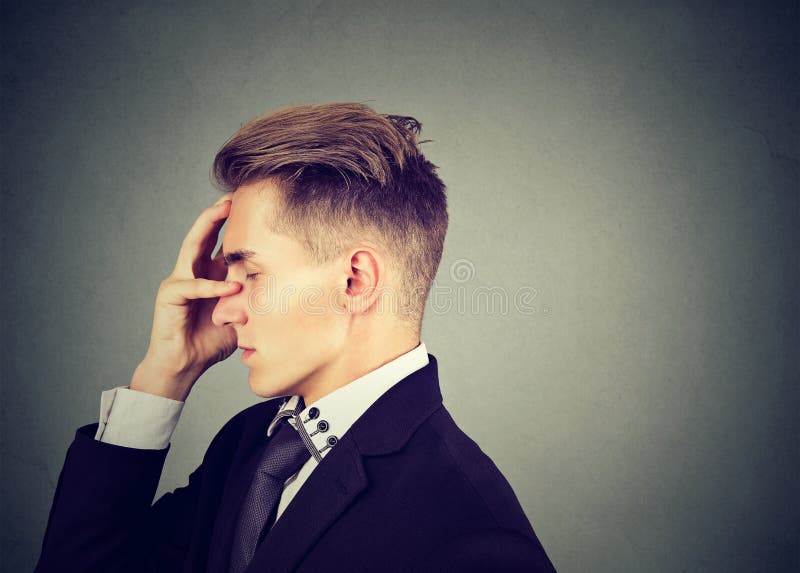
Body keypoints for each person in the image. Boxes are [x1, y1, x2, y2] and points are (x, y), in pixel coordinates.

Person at [34, 102, 557, 573]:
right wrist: (163, 376)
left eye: (251, 273)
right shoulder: (249, 445)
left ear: (355, 280)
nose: (221, 310)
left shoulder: (471, 535)